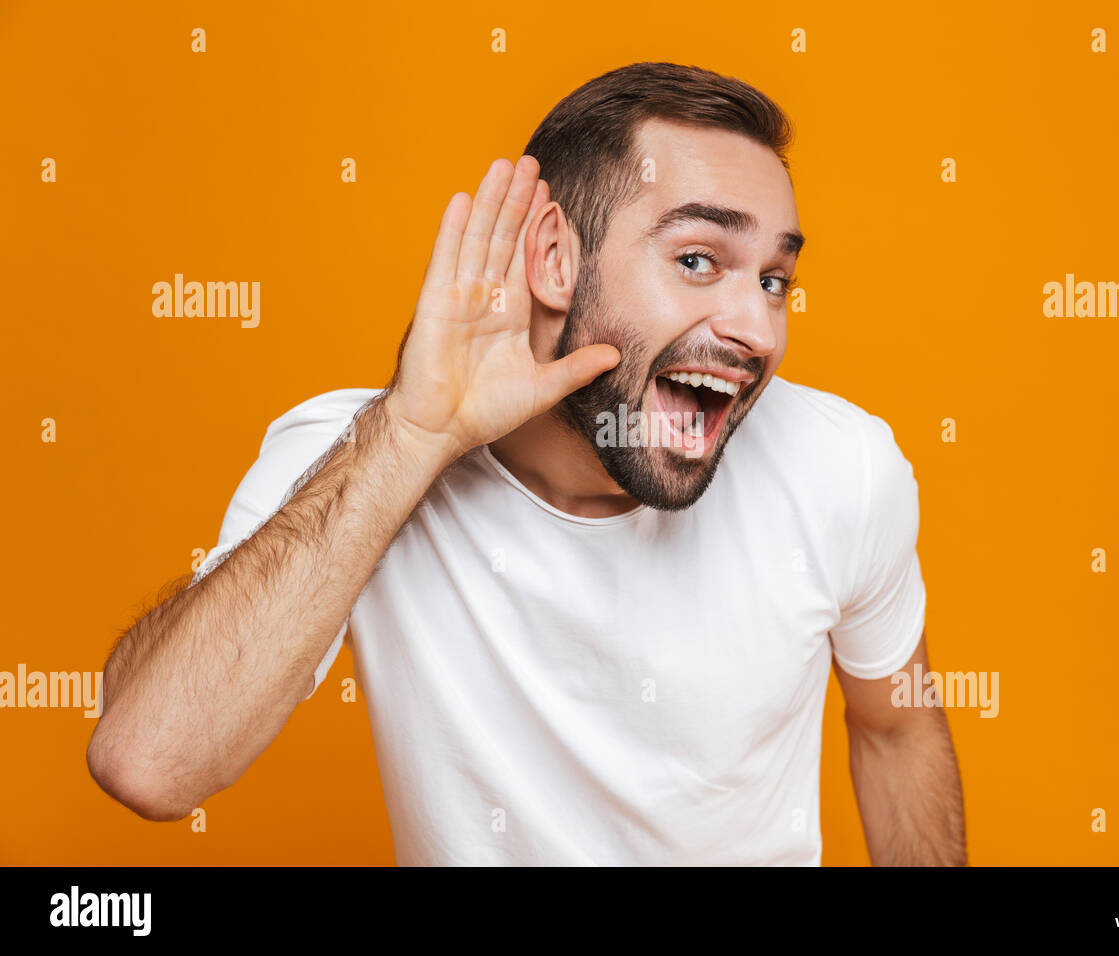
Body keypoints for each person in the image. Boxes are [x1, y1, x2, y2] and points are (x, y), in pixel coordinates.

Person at [87, 62, 966, 866]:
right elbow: (149, 763)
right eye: (698, 260)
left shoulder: (839, 465)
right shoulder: (357, 460)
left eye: (773, 280)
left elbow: (896, 728)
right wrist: (411, 435)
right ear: (554, 259)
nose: (757, 331)